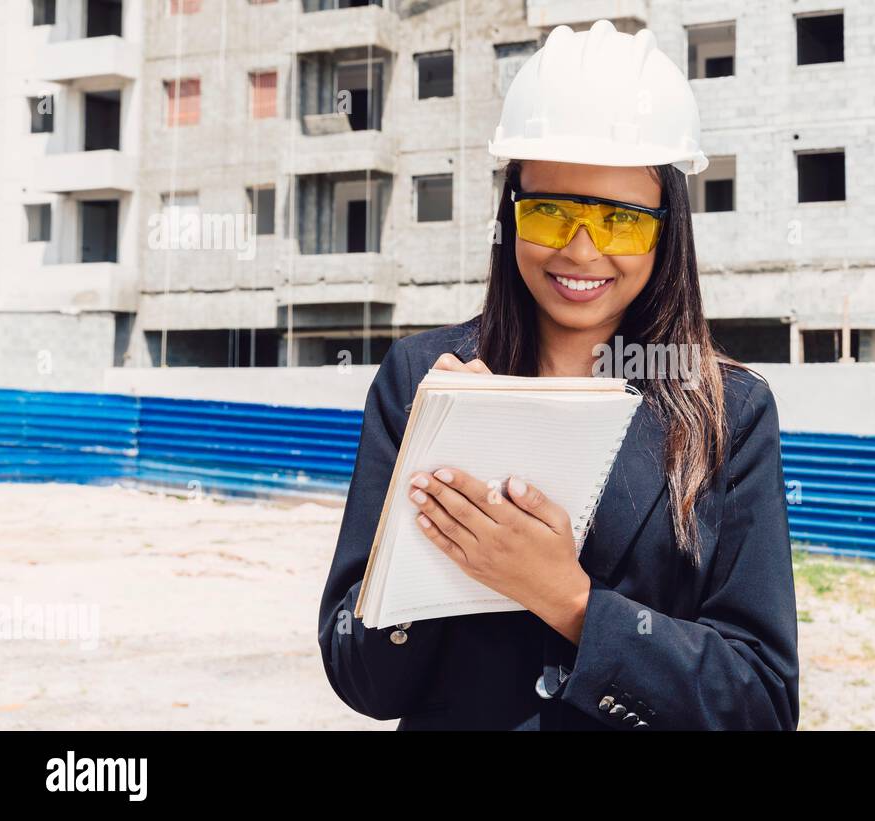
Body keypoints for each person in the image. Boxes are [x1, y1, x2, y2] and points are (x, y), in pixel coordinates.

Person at [318, 19, 799, 730]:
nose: (580, 249)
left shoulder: (730, 411)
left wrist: (571, 600)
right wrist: (430, 522)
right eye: (550, 212)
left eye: (621, 222)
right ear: (512, 213)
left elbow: (760, 702)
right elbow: (361, 674)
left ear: (668, 228)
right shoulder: (422, 379)